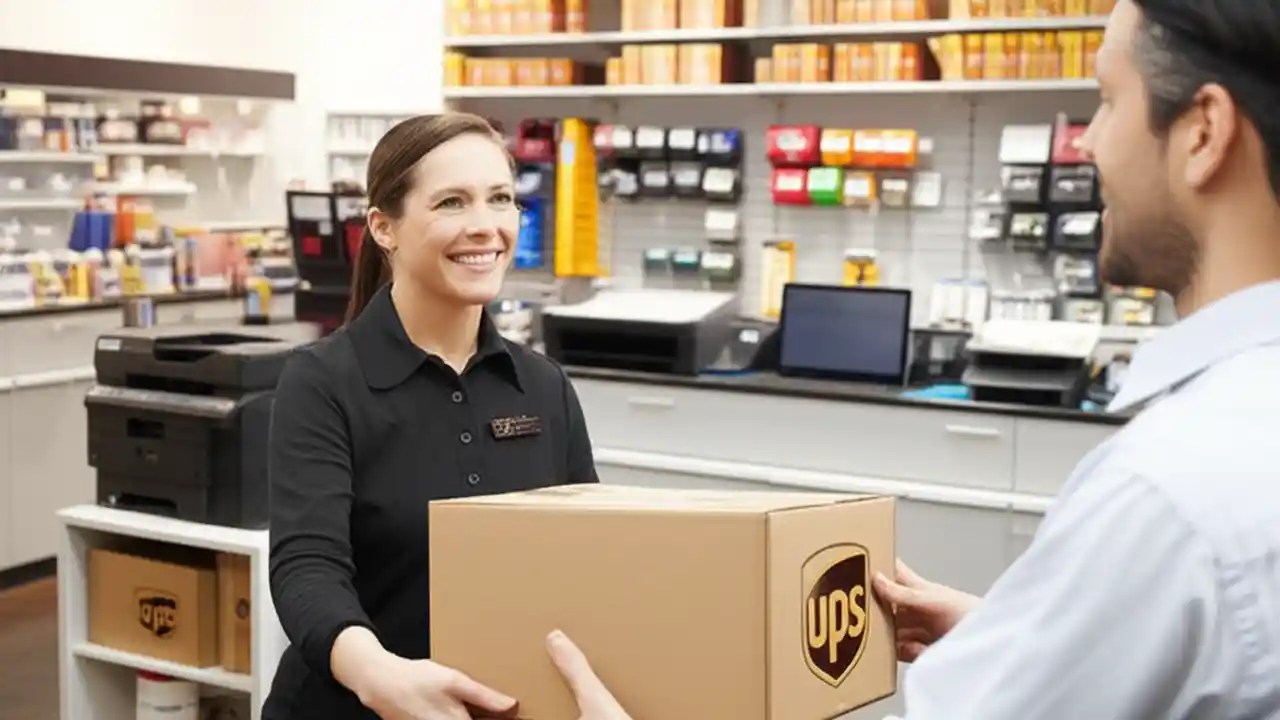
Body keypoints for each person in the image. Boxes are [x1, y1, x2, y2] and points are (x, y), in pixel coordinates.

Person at [542, 1, 1280, 717]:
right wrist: (1018, 637)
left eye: (1108, 100)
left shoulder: (1165, 490)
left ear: (1203, 132)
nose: (1086, 143)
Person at [264, 112, 599, 720]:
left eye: (500, 198)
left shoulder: (543, 386)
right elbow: (306, 569)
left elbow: (587, 561)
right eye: (451, 202)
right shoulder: (322, 382)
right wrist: (379, 676)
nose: (486, 225)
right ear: (383, 227)